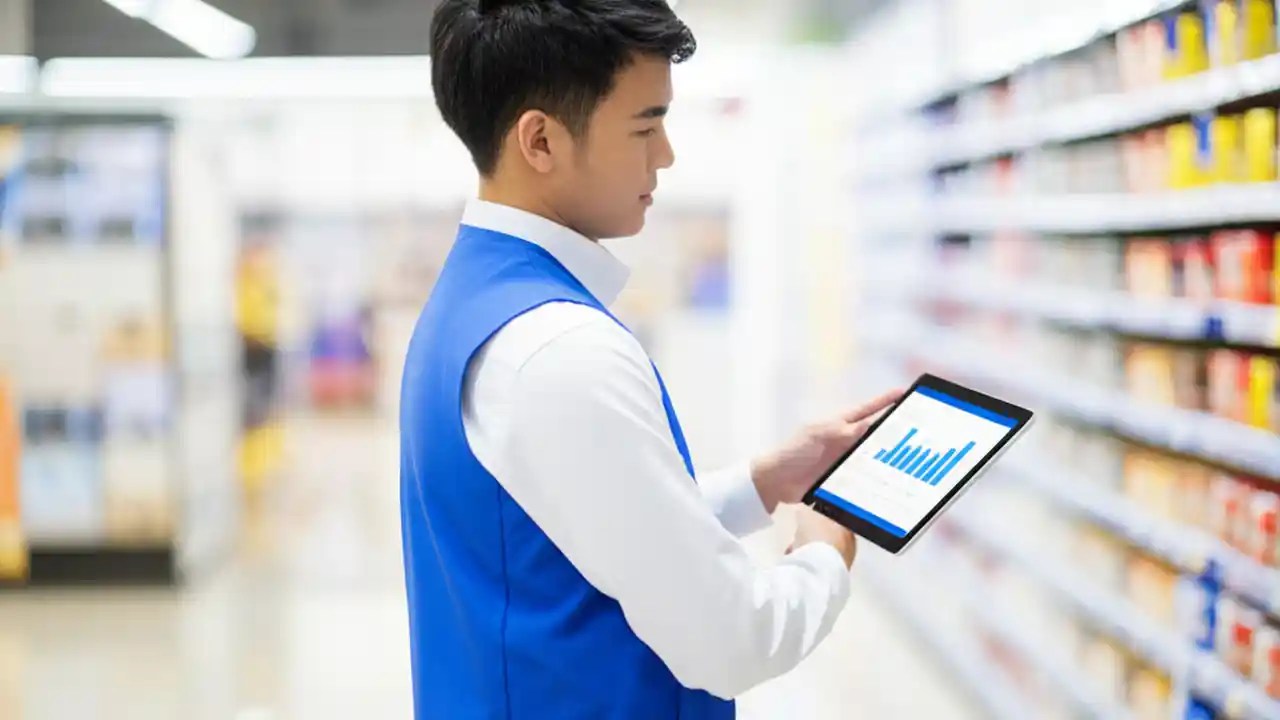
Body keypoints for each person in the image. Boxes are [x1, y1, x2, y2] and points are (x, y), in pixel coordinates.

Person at [400, 1, 900, 717]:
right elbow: (732, 639)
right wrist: (825, 550)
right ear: (540, 141)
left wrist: (762, 484)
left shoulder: (475, 303)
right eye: (645, 125)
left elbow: (592, 532)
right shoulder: (559, 350)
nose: (665, 154)